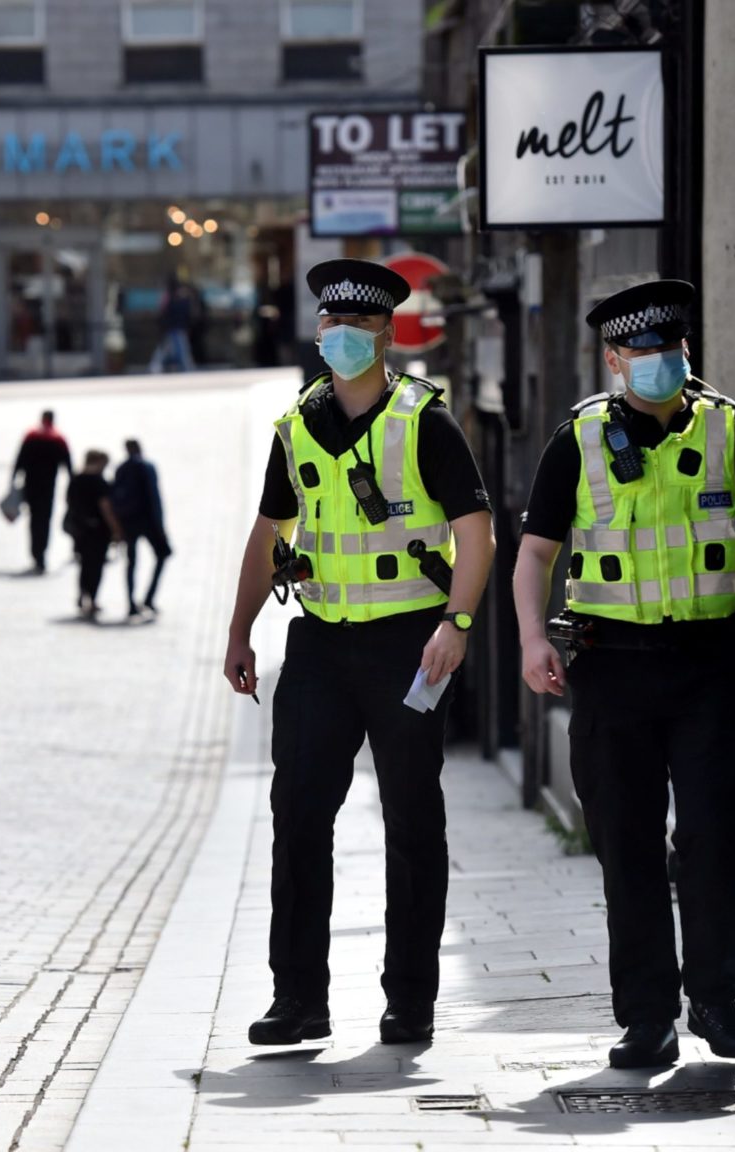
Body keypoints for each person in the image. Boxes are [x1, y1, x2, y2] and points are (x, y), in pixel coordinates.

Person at [511, 279, 735, 1070]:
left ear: (685, 349)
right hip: (609, 668)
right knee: (627, 848)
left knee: (714, 840)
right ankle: (646, 1018)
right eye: (640, 350)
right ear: (613, 359)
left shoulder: (728, 431)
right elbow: (534, 553)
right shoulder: (576, 440)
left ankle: (717, 1001)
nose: (657, 361)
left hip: (706, 668)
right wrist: (530, 639)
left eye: (669, 348)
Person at [222, 259, 496, 1047]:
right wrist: (239, 631)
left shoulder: (423, 420)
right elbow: (268, 533)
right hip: (317, 644)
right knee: (297, 816)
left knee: (411, 821)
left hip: (407, 643)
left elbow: (476, 532)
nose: (340, 335)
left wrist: (457, 623)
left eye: (357, 325)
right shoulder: (296, 425)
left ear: (386, 335)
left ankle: (409, 1000)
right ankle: (297, 999)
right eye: (329, 323)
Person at [112, 439, 171, 617]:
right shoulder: (147, 466)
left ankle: (131, 602)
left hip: (128, 522)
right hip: (148, 522)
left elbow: (114, 497)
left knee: (131, 563)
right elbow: (154, 497)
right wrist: (160, 526)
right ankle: (149, 598)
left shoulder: (121, 468)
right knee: (162, 555)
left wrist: (117, 526)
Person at [12, 410, 73, 573]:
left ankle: (35, 553)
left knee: (33, 520)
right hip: (48, 487)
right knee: (45, 520)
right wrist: (72, 485)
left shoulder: (31, 436)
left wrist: (13, 479)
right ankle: (42, 554)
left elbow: (20, 459)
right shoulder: (58, 439)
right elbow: (68, 463)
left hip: (31, 485)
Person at [65, 450, 124, 619]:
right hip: (98, 531)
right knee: (96, 566)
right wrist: (116, 530)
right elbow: (106, 508)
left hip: (79, 529)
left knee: (84, 564)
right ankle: (91, 598)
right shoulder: (99, 482)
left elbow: (69, 502)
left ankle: (82, 594)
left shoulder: (75, 480)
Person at [149, 276, 197, 373]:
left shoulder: (173, 299)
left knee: (168, 348)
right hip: (175, 328)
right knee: (179, 350)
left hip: (175, 328)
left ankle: (155, 366)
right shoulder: (175, 300)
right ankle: (187, 368)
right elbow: (166, 314)